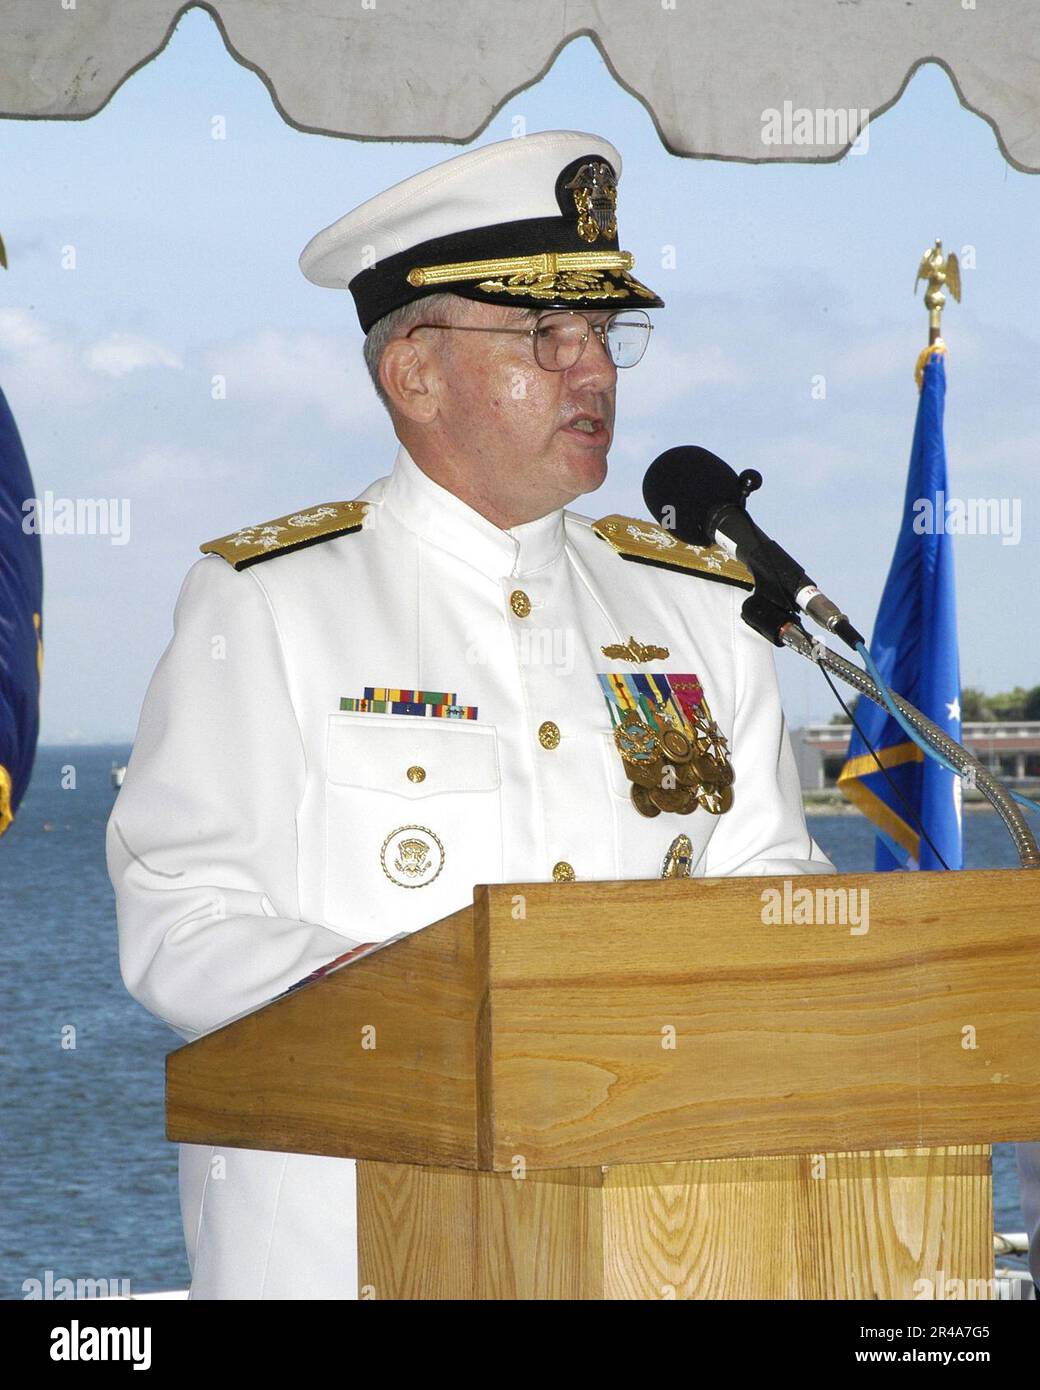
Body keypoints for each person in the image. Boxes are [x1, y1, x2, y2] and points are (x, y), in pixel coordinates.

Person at [106, 129, 834, 1300]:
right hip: (359, 1244)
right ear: (414, 373)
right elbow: (181, 916)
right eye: (545, 334)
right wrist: (441, 1014)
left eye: (602, 334)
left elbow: (771, 895)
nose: (590, 370)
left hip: (658, 1242)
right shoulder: (274, 604)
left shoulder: (698, 614)